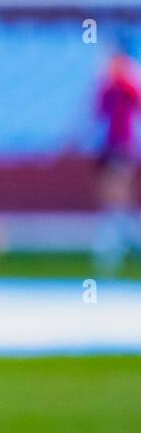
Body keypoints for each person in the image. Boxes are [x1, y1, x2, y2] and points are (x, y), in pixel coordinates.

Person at [91, 48, 141, 272]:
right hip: (108, 145)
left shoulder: (128, 84)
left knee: (117, 192)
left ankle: (120, 236)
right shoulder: (107, 86)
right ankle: (121, 232)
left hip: (123, 144)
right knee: (111, 195)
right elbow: (98, 114)